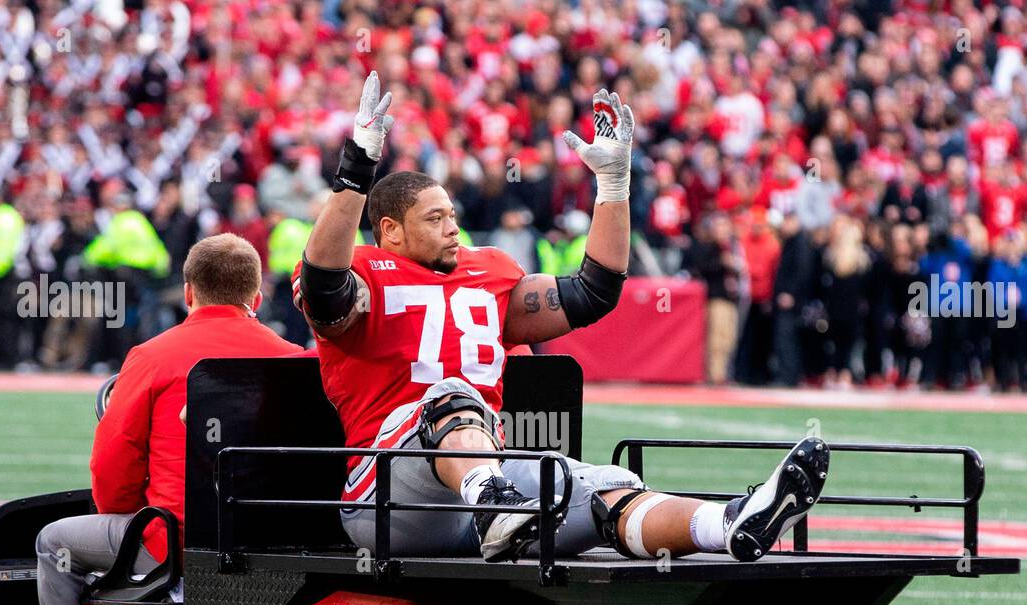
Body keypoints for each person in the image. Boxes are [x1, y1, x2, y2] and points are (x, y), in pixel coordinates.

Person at [295, 74, 828, 566]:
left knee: (605, 489)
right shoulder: (366, 269)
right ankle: (497, 507)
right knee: (451, 396)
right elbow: (324, 289)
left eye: (453, 215)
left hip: (488, 480)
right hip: (388, 490)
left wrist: (613, 187)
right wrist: (356, 168)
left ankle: (728, 522)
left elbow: (594, 291)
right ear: (389, 231)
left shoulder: (489, 271)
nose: (453, 229)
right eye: (435, 220)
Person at [0, 234, 305, 605]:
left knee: (52, 540)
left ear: (188, 292)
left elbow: (112, 470)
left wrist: (122, 516)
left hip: (175, 546)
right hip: (269, 547)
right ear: (256, 297)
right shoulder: (294, 359)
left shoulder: (154, 355)